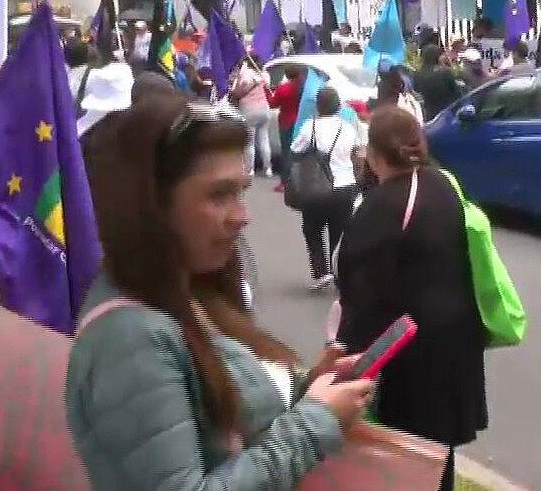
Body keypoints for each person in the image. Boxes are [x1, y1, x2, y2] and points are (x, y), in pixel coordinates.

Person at [68, 94, 373, 490]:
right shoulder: (129, 339)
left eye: (242, 191)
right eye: (219, 195)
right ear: (151, 206)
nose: (242, 215)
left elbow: (232, 415)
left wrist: (310, 388)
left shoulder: (191, 292)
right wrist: (314, 421)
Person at [333, 106, 486, 491]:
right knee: (439, 455)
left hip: (407, 353)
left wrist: (349, 357)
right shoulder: (444, 184)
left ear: (373, 155)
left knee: (404, 454)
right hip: (454, 342)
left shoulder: (379, 207)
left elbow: (358, 287)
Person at [290, 87, 366, 291]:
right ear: (338, 106)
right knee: (340, 233)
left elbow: (295, 149)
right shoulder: (348, 128)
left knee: (312, 230)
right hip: (345, 186)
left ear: (318, 106)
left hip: (316, 186)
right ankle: (339, 273)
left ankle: (321, 271)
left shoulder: (310, 127)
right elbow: (358, 153)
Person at [230, 58, 274, 177]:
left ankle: (250, 170)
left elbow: (237, 92)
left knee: (250, 142)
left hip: (249, 110)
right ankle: (268, 168)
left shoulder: (245, 75)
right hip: (264, 108)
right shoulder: (263, 74)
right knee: (264, 140)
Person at [266, 64, 304, 186]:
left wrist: (267, 91)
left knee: (286, 151)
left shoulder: (283, 89)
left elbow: (273, 104)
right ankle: (299, 179)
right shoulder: (303, 88)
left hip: (286, 121)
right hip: (300, 121)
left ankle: (285, 181)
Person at [412, 44, 464, 118]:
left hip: (428, 113)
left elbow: (417, 91)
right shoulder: (445, 72)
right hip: (446, 113)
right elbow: (457, 94)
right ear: (438, 57)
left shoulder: (418, 74)